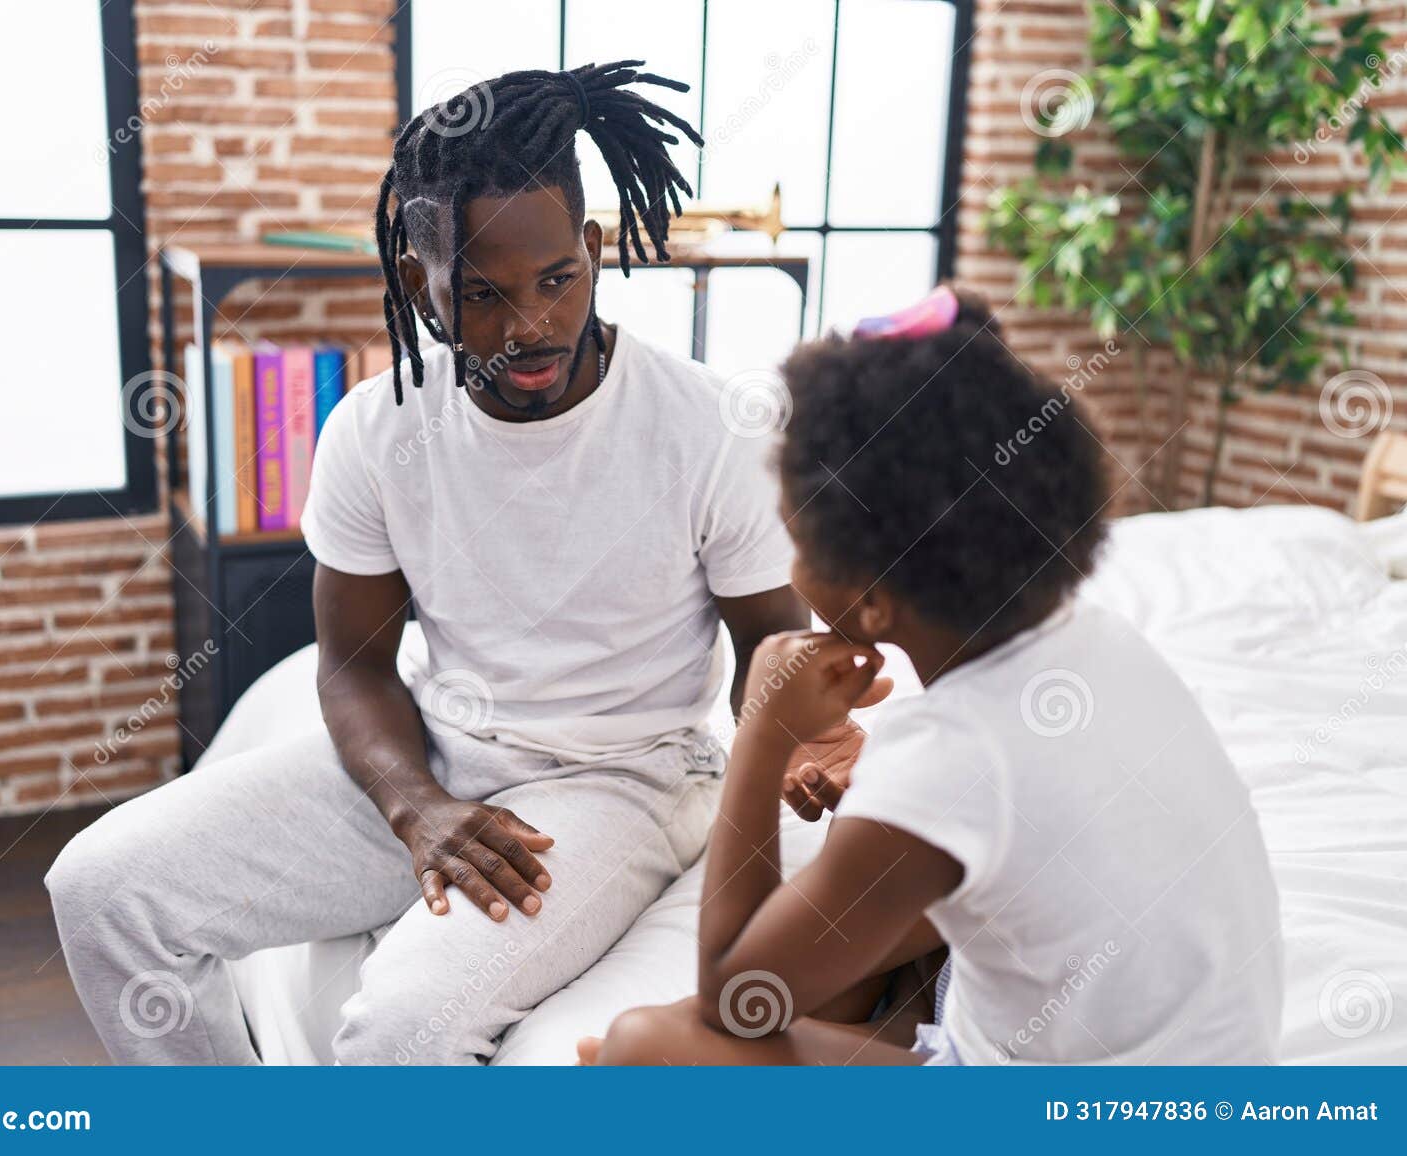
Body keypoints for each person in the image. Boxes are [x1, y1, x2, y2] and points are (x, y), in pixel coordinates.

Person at [44, 61, 865, 1065]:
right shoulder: (373, 430)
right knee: (100, 889)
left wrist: (806, 740)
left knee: (403, 1024)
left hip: (619, 780)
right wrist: (415, 805)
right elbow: (351, 666)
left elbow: (769, 647)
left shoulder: (703, 426)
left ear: (594, 251)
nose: (530, 326)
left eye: (558, 280)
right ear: (416, 283)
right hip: (438, 751)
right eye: (482, 294)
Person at [582, 286, 1285, 1066]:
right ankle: (889, 1032)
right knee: (851, 957)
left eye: (796, 544)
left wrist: (762, 733)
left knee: (642, 1045)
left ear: (874, 601)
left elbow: (736, 1000)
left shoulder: (949, 750)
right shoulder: (1100, 640)